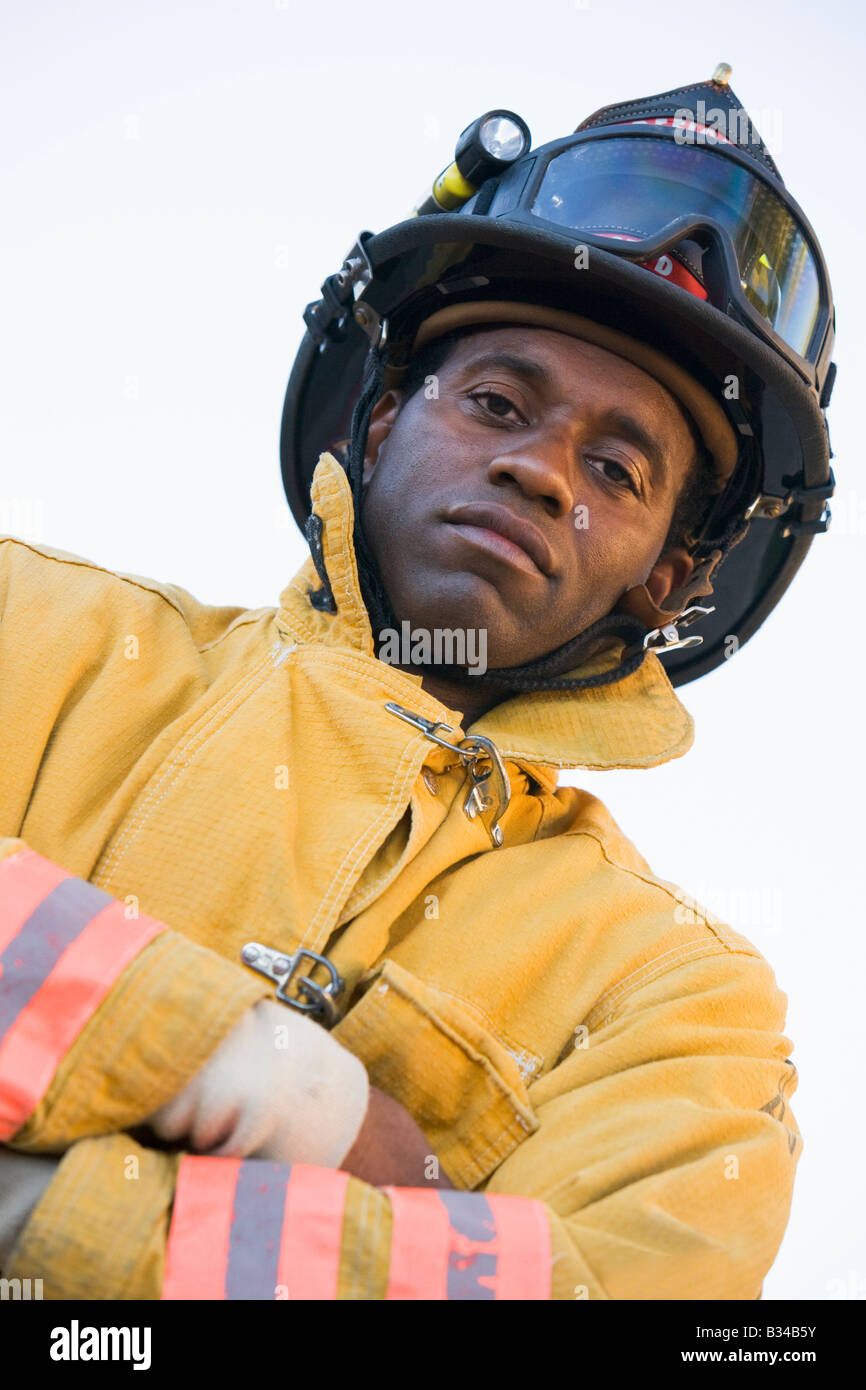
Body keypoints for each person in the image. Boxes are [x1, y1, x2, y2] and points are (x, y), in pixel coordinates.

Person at [0, 65, 835, 1300]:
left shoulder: (675, 1005)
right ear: (383, 420)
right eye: (496, 401)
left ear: (665, 577)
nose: (545, 472)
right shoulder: (37, 628)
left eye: (616, 468)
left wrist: (46, 1221)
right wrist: (279, 1090)